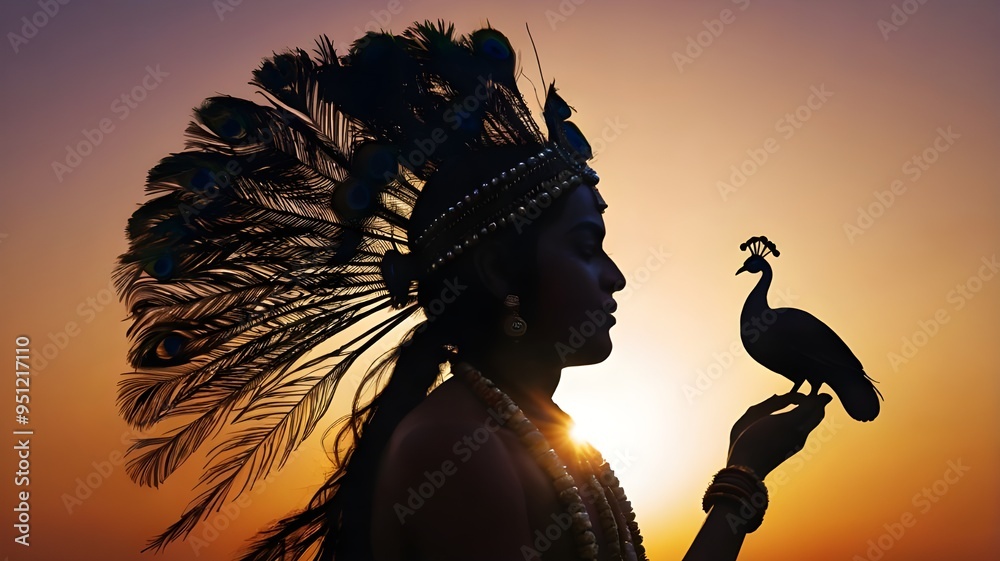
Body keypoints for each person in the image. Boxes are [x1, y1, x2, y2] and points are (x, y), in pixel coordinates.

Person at [114, 20, 831, 561]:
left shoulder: (535, 435)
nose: (615, 275)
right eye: (587, 247)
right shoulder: (454, 450)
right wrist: (740, 482)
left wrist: (741, 467)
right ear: (497, 275)